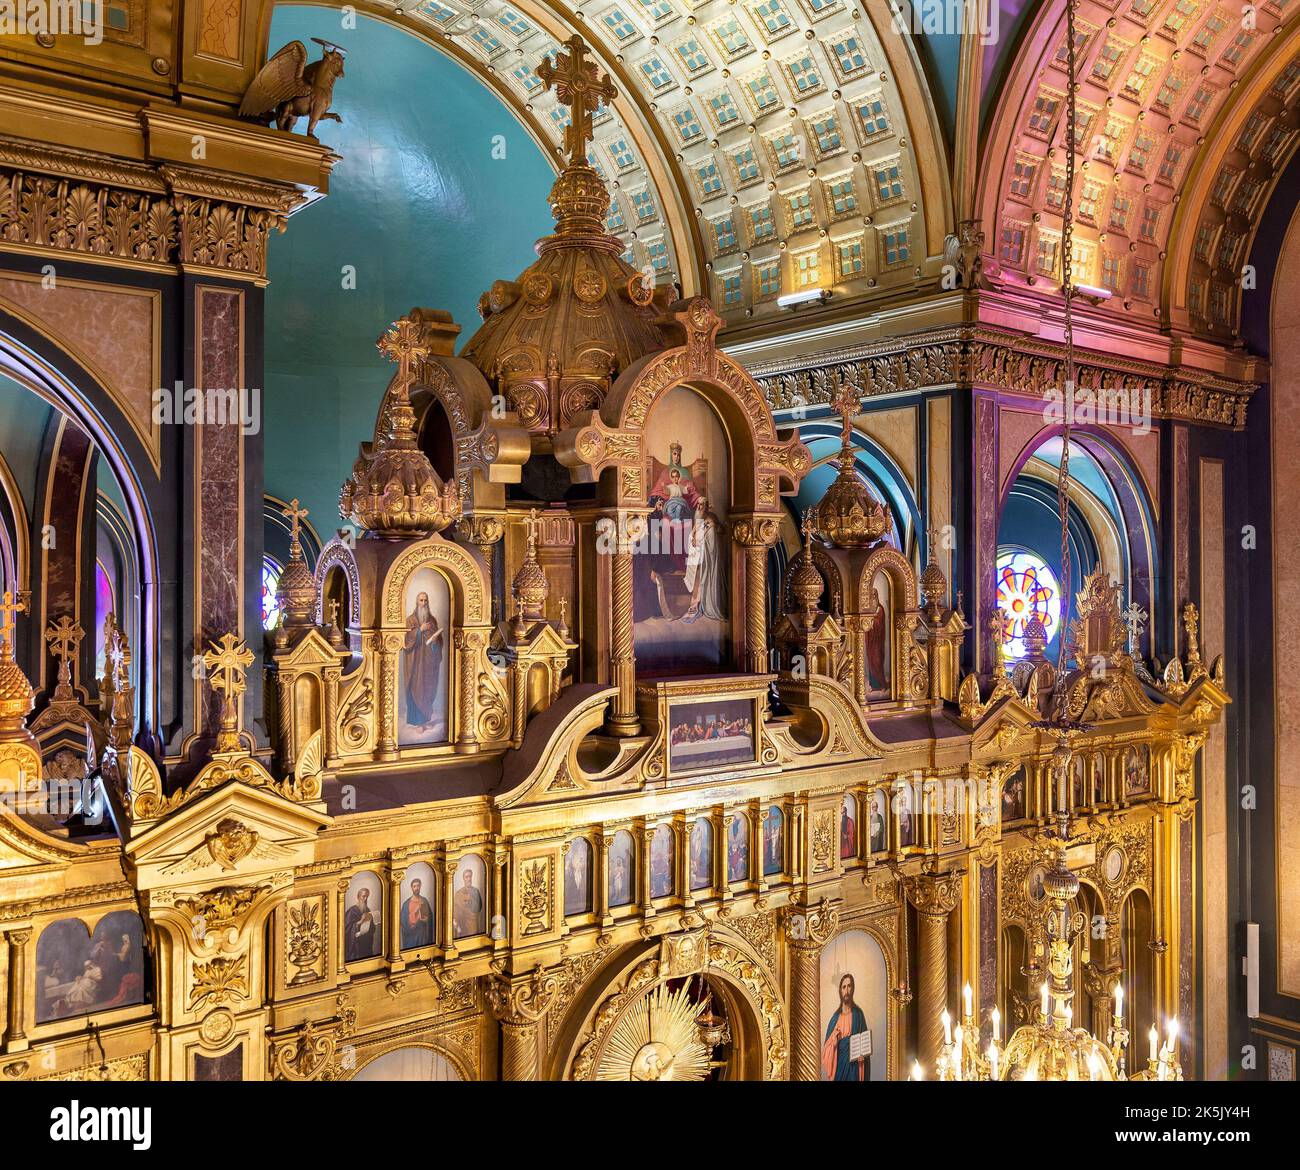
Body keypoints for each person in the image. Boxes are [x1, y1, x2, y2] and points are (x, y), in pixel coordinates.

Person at [402, 590, 444, 733]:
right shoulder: (410, 620)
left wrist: (435, 642)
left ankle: (425, 719)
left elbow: (438, 643)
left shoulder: (432, 620)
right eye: (421, 600)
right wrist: (419, 630)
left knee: (428, 689)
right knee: (417, 688)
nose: (423, 603)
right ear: (417, 602)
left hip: (429, 663)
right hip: (415, 663)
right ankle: (418, 722)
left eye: (425, 600)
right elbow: (406, 642)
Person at [821, 973, 870, 1080]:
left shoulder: (858, 1014)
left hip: (855, 1066)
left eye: (849, 986)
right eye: (844, 987)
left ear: (853, 989)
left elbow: (864, 1043)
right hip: (839, 1066)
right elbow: (825, 1051)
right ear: (840, 990)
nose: (847, 990)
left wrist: (863, 1055)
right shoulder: (835, 1018)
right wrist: (833, 1041)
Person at [683, 499, 725, 622]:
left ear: (707, 506)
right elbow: (693, 535)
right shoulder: (698, 518)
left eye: (702, 505)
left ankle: (699, 604)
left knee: (702, 578)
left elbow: (719, 532)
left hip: (708, 558)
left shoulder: (711, 518)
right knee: (696, 578)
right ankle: (694, 604)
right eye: (698, 504)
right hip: (697, 558)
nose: (700, 507)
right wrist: (693, 538)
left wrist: (712, 527)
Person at [344, 885, 380, 961]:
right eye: (363, 896)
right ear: (358, 897)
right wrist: (360, 922)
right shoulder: (352, 911)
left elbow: (371, 927)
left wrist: (374, 922)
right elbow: (346, 928)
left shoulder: (367, 909)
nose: (365, 899)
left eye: (367, 896)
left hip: (365, 942)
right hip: (356, 944)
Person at [400, 877, 434, 950]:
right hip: (412, 937)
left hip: (423, 936)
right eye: (414, 886)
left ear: (420, 886)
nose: (416, 888)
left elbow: (430, 918)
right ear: (411, 888)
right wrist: (416, 914)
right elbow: (403, 922)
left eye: (418, 886)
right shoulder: (406, 904)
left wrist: (427, 920)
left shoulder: (424, 901)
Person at [453, 867, 484, 937]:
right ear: (463, 878)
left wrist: (470, 899)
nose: (469, 879)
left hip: (473, 923)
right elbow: (456, 908)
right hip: (462, 922)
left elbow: (479, 908)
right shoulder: (459, 893)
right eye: (467, 877)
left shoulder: (475, 891)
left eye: (470, 876)